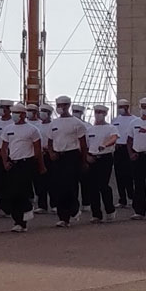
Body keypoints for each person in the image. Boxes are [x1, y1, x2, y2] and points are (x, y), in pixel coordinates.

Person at [44, 95, 88, 227]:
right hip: (58, 157)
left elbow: (83, 144)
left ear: (68, 106)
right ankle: (63, 217)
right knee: (58, 186)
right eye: (59, 105)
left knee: (70, 186)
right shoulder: (54, 124)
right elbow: (50, 141)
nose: (60, 108)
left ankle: (73, 209)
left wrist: (84, 161)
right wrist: (51, 153)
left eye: (63, 105)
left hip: (72, 156)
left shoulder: (77, 123)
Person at [0, 105, 42, 231]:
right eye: (13, 113)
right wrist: (5, 162)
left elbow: (37, 149)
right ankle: (18, 218)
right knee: (12, 193)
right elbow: (3, 147)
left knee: (21, 191)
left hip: (26, 163)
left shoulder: (32, 130)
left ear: (23, 114)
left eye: (17, 113)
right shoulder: (8, 129)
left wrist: (40, 165)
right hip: (13, 163)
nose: (14, 115)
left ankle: (22, 221)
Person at [84, 104, 120, 222]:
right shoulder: (89, 130)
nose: (98, 114)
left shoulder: (111, 128)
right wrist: (87, 156)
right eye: (96, 112)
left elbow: (114, 138)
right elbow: (85, 145)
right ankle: (96, 214)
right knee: (92, 187)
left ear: (105, 114)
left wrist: (104, 145)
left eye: (101, 112)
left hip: (105, 158)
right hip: (92, 158)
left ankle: (110, 209)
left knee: (103, 185)